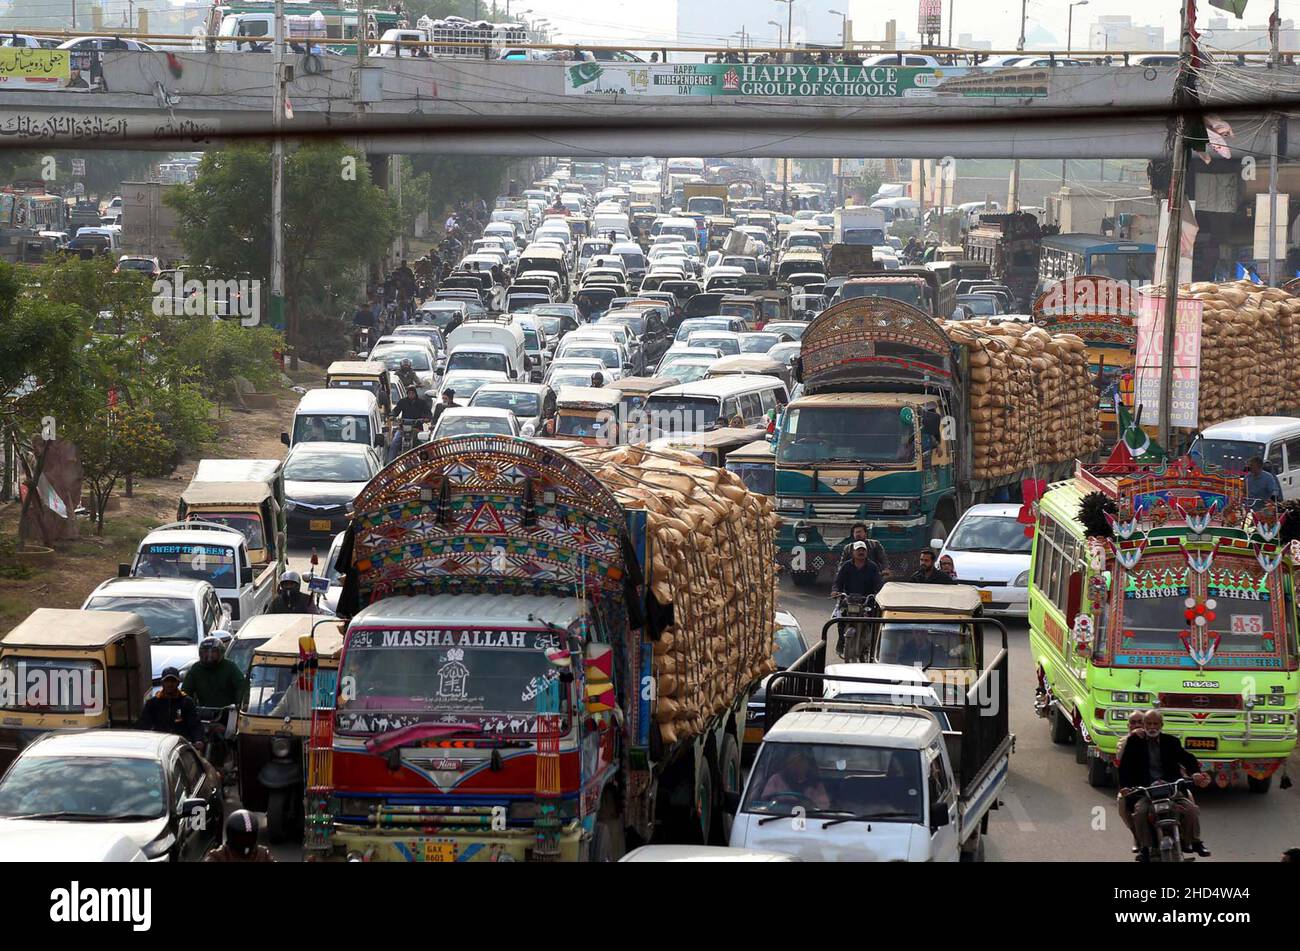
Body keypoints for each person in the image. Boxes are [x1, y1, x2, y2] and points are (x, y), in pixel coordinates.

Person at [1118, 709, 1212, 861]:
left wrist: (1194, 772)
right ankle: (1145, 847)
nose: (1152, 727)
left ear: (1161, 725)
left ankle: (1195, 842)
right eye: (1148, 723)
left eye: (1155, 723)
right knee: (1140, 813)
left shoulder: (1171, 741)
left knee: (1191, 810)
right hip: (1146, 792)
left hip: (1171, 790)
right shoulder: (1133, 742)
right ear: (1144, 724)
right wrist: (1126, 787)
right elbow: (1124, 768)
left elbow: (1187, 758)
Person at [135, 667, 203, 744]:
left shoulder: (187, 702)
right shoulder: (152, 703)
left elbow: (195, 724)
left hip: (181, 743)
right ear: (162, 683)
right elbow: (143, 724)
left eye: (173, 681)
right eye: (167, 681)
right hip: (159, 743)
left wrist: (198, 740)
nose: (170, 684)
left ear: (178, 683)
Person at [182, 637, 247, 710]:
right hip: (203, 711)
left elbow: (241, 685)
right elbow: (185, 691)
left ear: (221, 652)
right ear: (200, 653)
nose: (209, 656)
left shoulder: (230, 666)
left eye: (213, 652)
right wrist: (185, 705)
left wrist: (241, 703)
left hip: (227, 712)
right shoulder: (196, 668)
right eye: (205, 652)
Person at [1114, 711, 1148, 846]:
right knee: (1122, 802)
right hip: (1136, 785)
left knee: (1189, 801)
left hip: (1159, 782)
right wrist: (1131, 739)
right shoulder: (1124, 741)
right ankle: (1136, 833)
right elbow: (1120, 759)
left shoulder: (1156, 737)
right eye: (1133, 723)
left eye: (1140, 722)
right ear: (1128, 726)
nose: (1137, 725)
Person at [759, 747, 830, 809]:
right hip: (778, 817)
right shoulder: (776, 779)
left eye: (801, 761)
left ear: (808, 765)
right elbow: (765, 803)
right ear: (787, 764)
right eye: (793, 762)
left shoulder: (816, 784)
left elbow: (824, 807)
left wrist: (810, 805)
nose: (797, 765)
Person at [203, 810, 275, 863]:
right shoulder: (217, 856)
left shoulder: (263, 854)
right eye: (242, 839)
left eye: (249, 837)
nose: (246, 842)